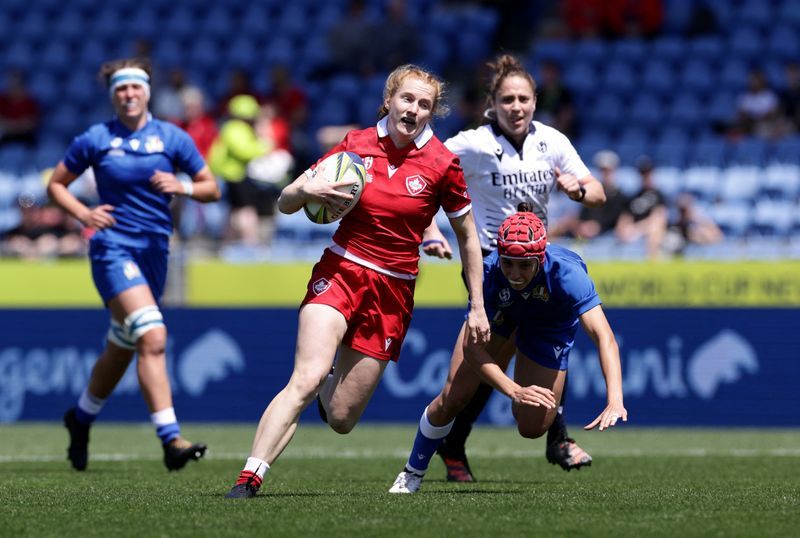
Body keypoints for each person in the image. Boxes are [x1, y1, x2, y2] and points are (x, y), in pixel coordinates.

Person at [224, 64, 491, 499]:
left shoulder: (443, 164)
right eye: (407, 99)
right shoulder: (355, 145)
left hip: (393, 291)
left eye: (424, 105)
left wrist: (477, 303)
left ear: (431, 113)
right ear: (389, 100)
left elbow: (469, 238)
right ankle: (249, 477)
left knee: (342, 418)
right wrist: (308, 191)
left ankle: (329, 380)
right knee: (305, 379)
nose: (414, 110)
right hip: (341, 270)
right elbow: (286, 201)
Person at [420, 54, 605, 481]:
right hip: (488, 262)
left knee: (543, 342)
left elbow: (596, 191)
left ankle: (550, 437)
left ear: (535, 101)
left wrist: (578, 191)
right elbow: (425, 177)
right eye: (507, 99)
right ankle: (538, 438)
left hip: (537, 261)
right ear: (493, 104)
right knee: (489, 361)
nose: (516, 107)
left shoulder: (553, 142)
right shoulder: (472, 143)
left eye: (523, 98)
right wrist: (431, 230)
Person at [46, 57, 221, 472]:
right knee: (153, 334)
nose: (128, 95)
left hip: (155, 251)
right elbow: (56, 184)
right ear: (113, 96)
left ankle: (81, 417)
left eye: (135, 88)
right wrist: (84, 214)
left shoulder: (171, 138)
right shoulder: (96, 138)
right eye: (121, 89)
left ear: (147, 92)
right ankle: (171, 439)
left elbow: (211, 188)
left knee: (124, 343)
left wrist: (182, 186)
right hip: (112, 249)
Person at [389, 207, 627, 493]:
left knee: (532, 427)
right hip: (501, 316)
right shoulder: (488, 272)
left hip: (548, 325)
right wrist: (515, 390)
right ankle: (412, 472)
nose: (515, 274)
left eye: (524, 265)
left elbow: (605, 338)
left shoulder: (568, 275)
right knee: (453, 396)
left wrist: (615, 399)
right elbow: (473, 350)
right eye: (509, 263)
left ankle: (522, 345)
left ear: (541, 259)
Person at [550, 150, 628, 240]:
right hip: (585, 231)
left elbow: (619, 220)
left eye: (608, 170)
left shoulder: (620, 196)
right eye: (602, 170)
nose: (605, 173)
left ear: (614, 170)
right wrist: (581, 225)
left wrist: (597, 227)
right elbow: (583, 214)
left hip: (607, 235)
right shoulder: (592, 192)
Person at [614, 156, 668, 259]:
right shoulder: (633, 197)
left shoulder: (659, 195)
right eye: (643, 173)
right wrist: (625, 230)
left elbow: (660, 218)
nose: (645, 176)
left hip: (648, 230)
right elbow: (624, 219)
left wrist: (637, 229)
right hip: (633, 233)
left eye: (648, 173)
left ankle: (652, 261)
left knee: (655, 228)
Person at [0, 70, 40, 146]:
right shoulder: (2, 100)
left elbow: (30, 124)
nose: (13, 86)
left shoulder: (30, 101)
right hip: (6, 135)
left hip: (25, 136)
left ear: (22, 84)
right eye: (11, 83)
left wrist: (10, 125)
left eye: (16, 84)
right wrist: (18, 125)